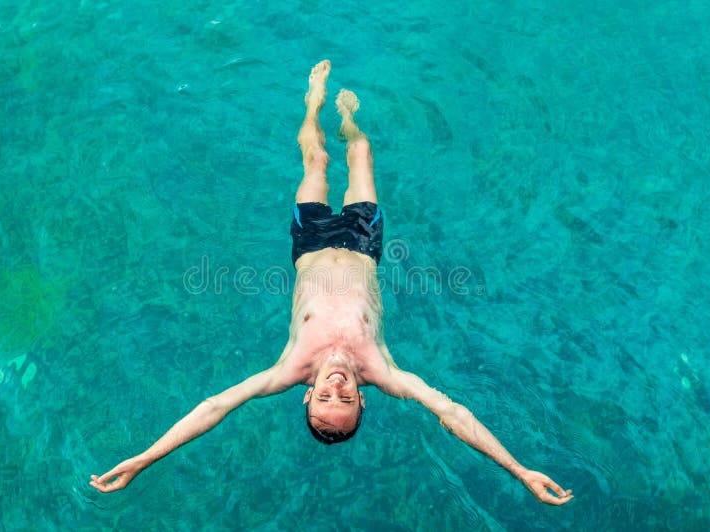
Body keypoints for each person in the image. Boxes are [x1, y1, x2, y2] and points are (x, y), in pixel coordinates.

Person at [90, 60, 574, 506]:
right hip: (364, 243)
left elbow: (215, 407)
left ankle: (314, 100)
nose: (336, 388)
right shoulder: (383, 370)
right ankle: (350, 120)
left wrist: (142, 460)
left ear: (308, 393)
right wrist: (519, 469)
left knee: (317, 161)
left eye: (324, 397)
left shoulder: (289, 369)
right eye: (345, 399)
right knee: (360, 149)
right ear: (363, 399)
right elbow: (452, 413)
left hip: (312, 242)